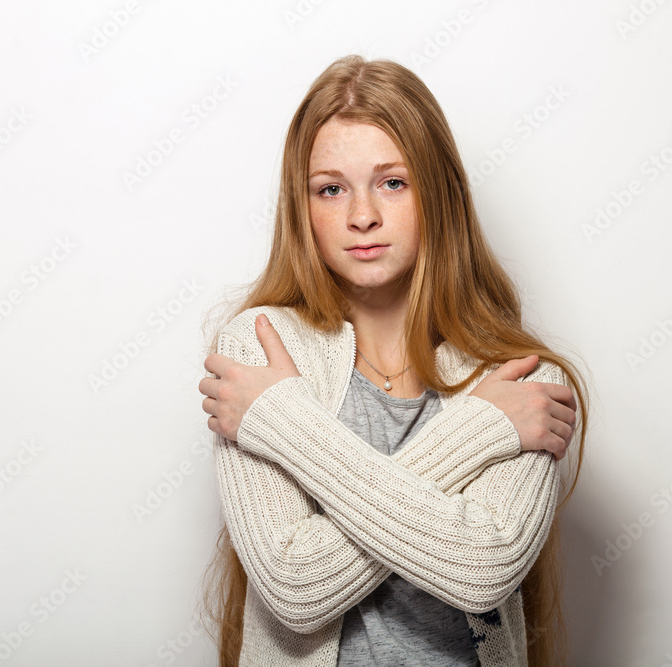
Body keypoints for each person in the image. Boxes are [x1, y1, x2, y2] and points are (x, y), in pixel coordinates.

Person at [196, 55, 589, 667]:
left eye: (393, 182)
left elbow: (482, 569)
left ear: (438, 191)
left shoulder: (523, 380)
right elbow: (296, 588)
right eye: (331, 188)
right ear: (303, 209)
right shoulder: (258, 353)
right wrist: (484, 431)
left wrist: (279, 421)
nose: (362, 216)